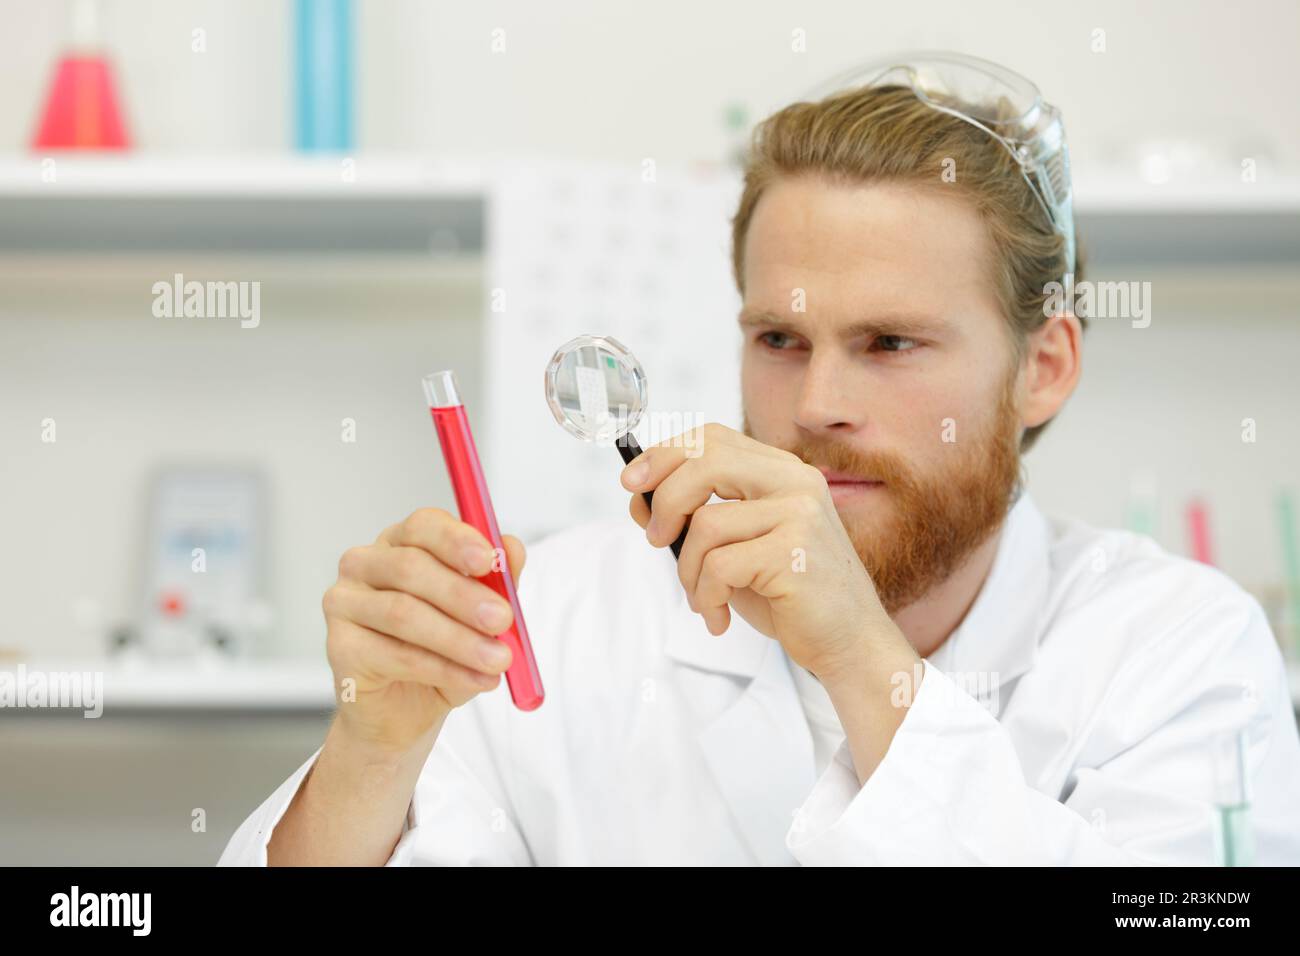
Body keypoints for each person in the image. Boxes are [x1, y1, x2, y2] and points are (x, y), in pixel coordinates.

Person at [219, 53, 1300, 866]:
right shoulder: (555, 614)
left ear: (1045, 366)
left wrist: (858, 657)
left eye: (890, 343)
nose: (818, 404)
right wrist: (373, 746)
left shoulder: (1179, 651)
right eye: (779, 341)